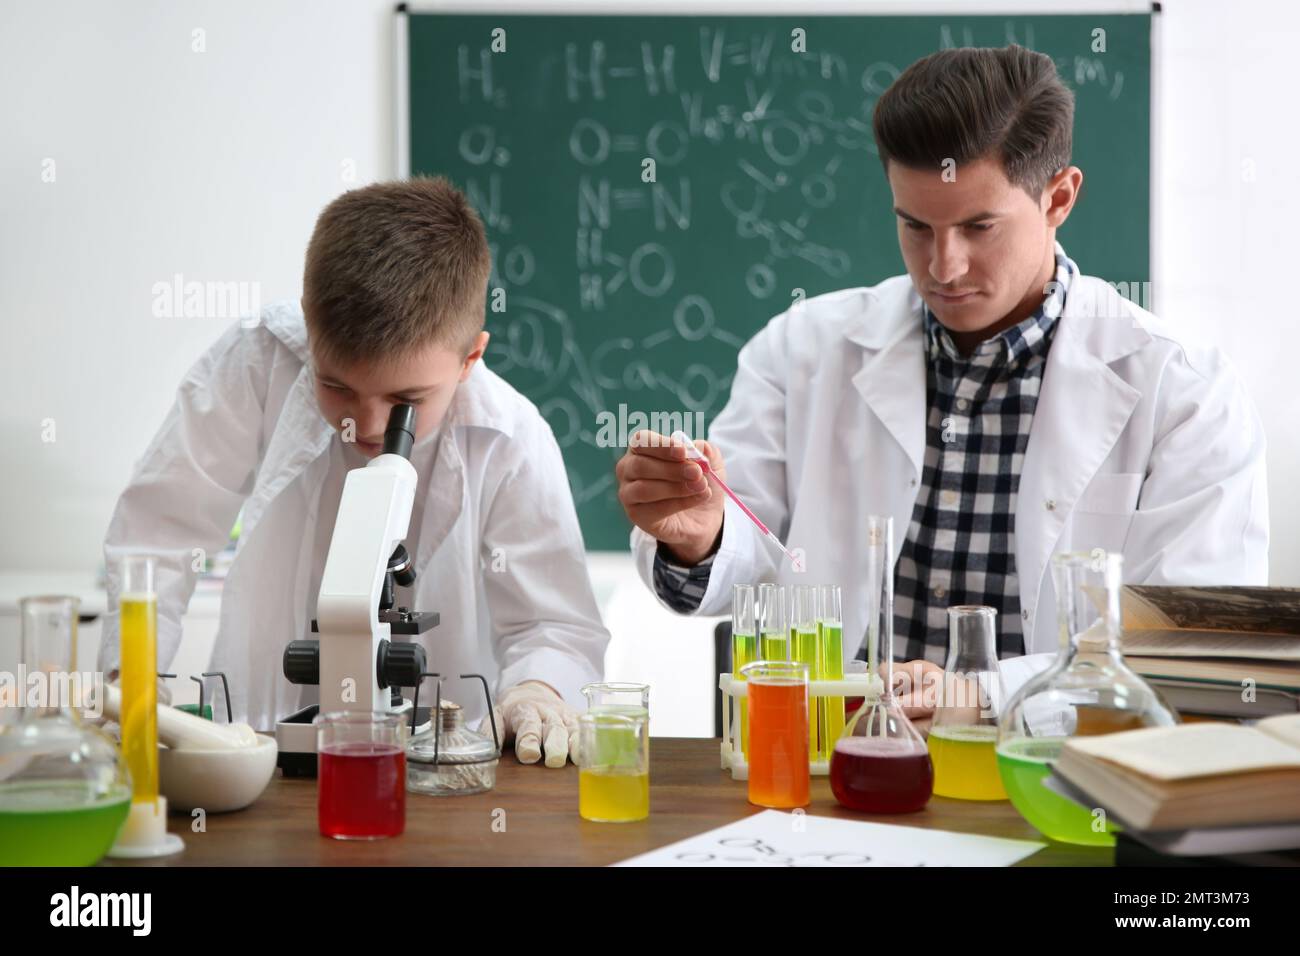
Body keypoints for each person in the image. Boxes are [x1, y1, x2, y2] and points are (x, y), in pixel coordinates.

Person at [614, 45, 1268, 718]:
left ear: (1060, 197)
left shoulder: (1184, 392)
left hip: (1060, 776)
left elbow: (1196, 652)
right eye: (915, 226)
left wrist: (984, 696)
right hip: (838, 767)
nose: (944, 267)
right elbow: (755, 567)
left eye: (978, 226)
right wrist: (702, 537)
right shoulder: (804, 348)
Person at [99, 177, 608, 767]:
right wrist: (130, 680)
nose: (365, 426)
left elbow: (555, 625)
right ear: (311, 328)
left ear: (470, 357)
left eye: (404, 398)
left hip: (446, 768)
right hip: (260, 748)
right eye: (335, 384)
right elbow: (160, 531)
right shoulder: (261, 359)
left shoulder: (511, 439)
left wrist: (537, 690)